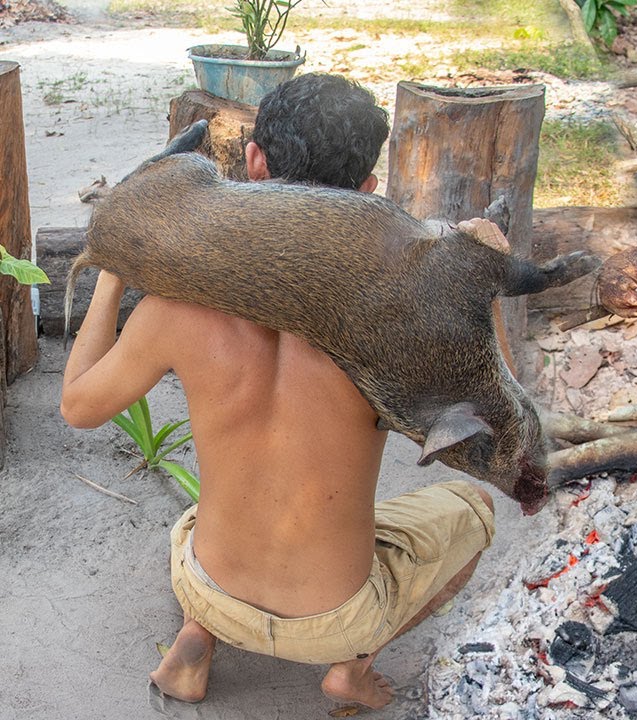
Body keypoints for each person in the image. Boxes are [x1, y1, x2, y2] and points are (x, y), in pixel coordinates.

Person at [60, 73, 499, 710]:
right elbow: (481, 426)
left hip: (208, 584)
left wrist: (116, 263)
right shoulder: (402, 322)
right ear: (367, 190)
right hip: (335, 617)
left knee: (202, 513)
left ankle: (198, 637)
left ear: (254, 163)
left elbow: (76, 406)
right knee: (470, 510)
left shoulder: (179, 305)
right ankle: (348, 673)